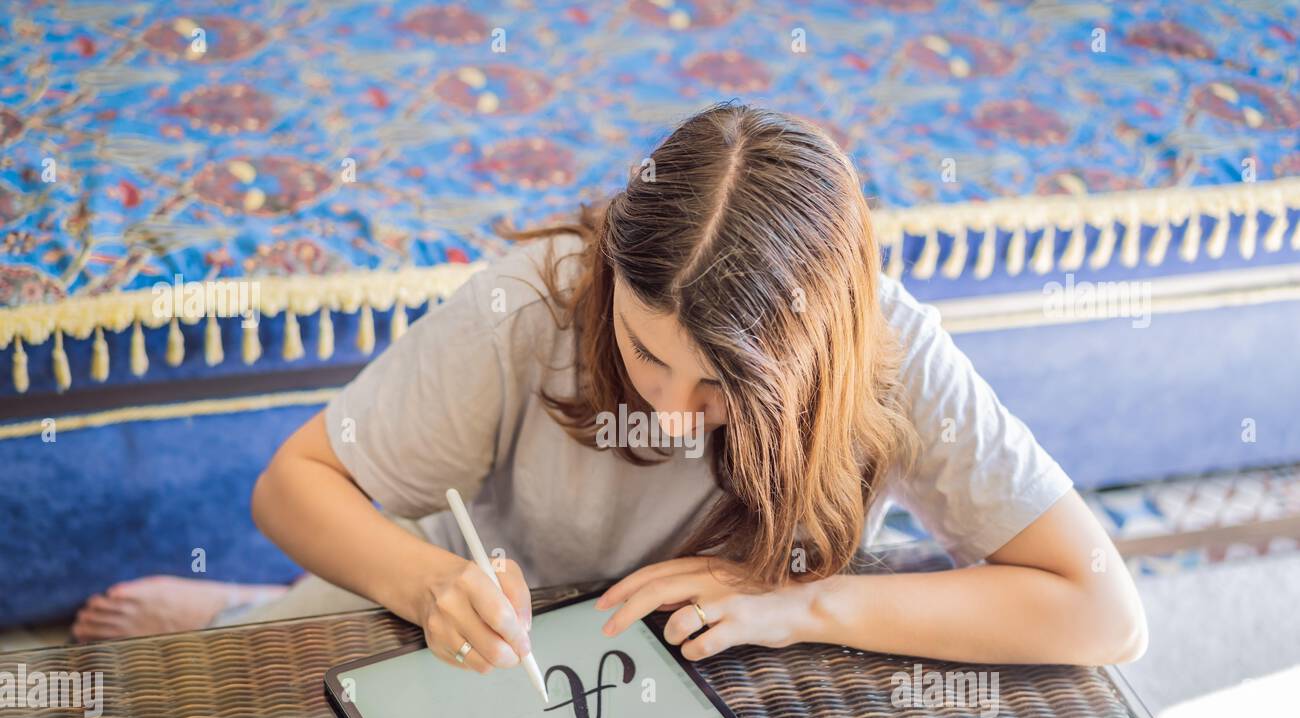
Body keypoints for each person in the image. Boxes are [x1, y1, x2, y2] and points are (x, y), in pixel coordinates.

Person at [73, 103, 1147, 670]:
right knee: (282, 705)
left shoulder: (889, 348)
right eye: (645, 354)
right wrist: (422, 588)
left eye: (725, 387)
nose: (669, 417)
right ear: (610, 281)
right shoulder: (536, 303)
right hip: (496, 613)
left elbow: (1102, 610)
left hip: (730, 643)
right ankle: (254, 612)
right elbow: (290, 484)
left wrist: (808, 601)